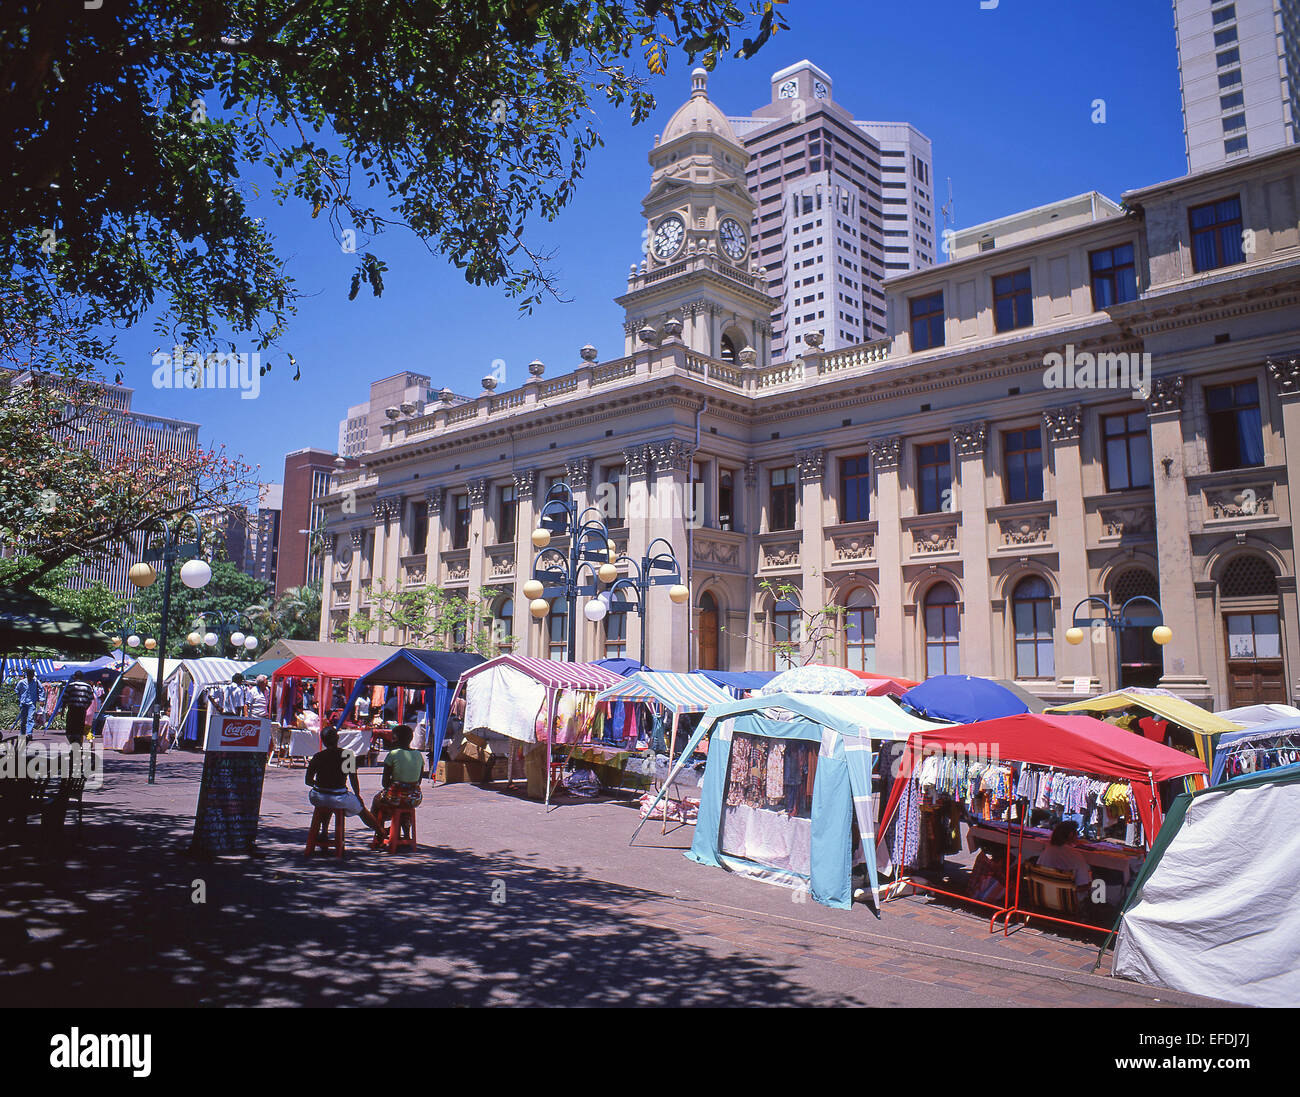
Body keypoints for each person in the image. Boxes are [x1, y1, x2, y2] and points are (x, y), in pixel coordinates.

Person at [305, 728, 384, 841]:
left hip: (318, 796)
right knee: (360, 809)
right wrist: (357, 795)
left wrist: (321, 786)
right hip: (339, 797)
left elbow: (308, 781)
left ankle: (324, 832)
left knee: (326, 803)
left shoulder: (318, 756)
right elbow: (353, 779)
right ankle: (380, 831)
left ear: (323, 741)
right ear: (337, 738)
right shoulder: (347, 755)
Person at [371, 724, 425, 842]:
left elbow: (385, 783)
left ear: (396, 739)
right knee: (404, 803)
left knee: (377, 801)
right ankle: (405, 834)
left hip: (394, 797)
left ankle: (380, 831)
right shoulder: (418, 755)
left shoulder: (393, 754)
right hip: (414, 798)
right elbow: (419, 780)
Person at [1036, 820, 1093, 898]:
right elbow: (1083, 886)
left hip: (1044, 897)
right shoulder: (1076, 855)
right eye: (1076, 832)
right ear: (1071, 835)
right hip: (1069, 901)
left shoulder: (1047, 850)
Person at [61, 671, 96, 745]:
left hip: (72, 709)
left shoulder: (71, 686)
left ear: (75, 677)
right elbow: (90, 700)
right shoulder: (87, 686)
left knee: (70, 729)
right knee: (79, 729)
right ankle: (78, 744)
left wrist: (63, 711)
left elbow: (64, 699)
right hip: (82, 710)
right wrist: (85, 708)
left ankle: (73, 743)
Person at [15, 668, 42, 740]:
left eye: (32, 675)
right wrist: (20, 698)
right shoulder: (21, 682)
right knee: (23, 719)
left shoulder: (36, 682)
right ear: (27, 675)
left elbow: (41, 690)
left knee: (30, 718)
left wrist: (41, 699)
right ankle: (22, 734)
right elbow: (17, 690)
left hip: (32, 703)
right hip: (23, 703)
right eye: (29, 675)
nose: (31, 676)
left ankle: (29, 733)